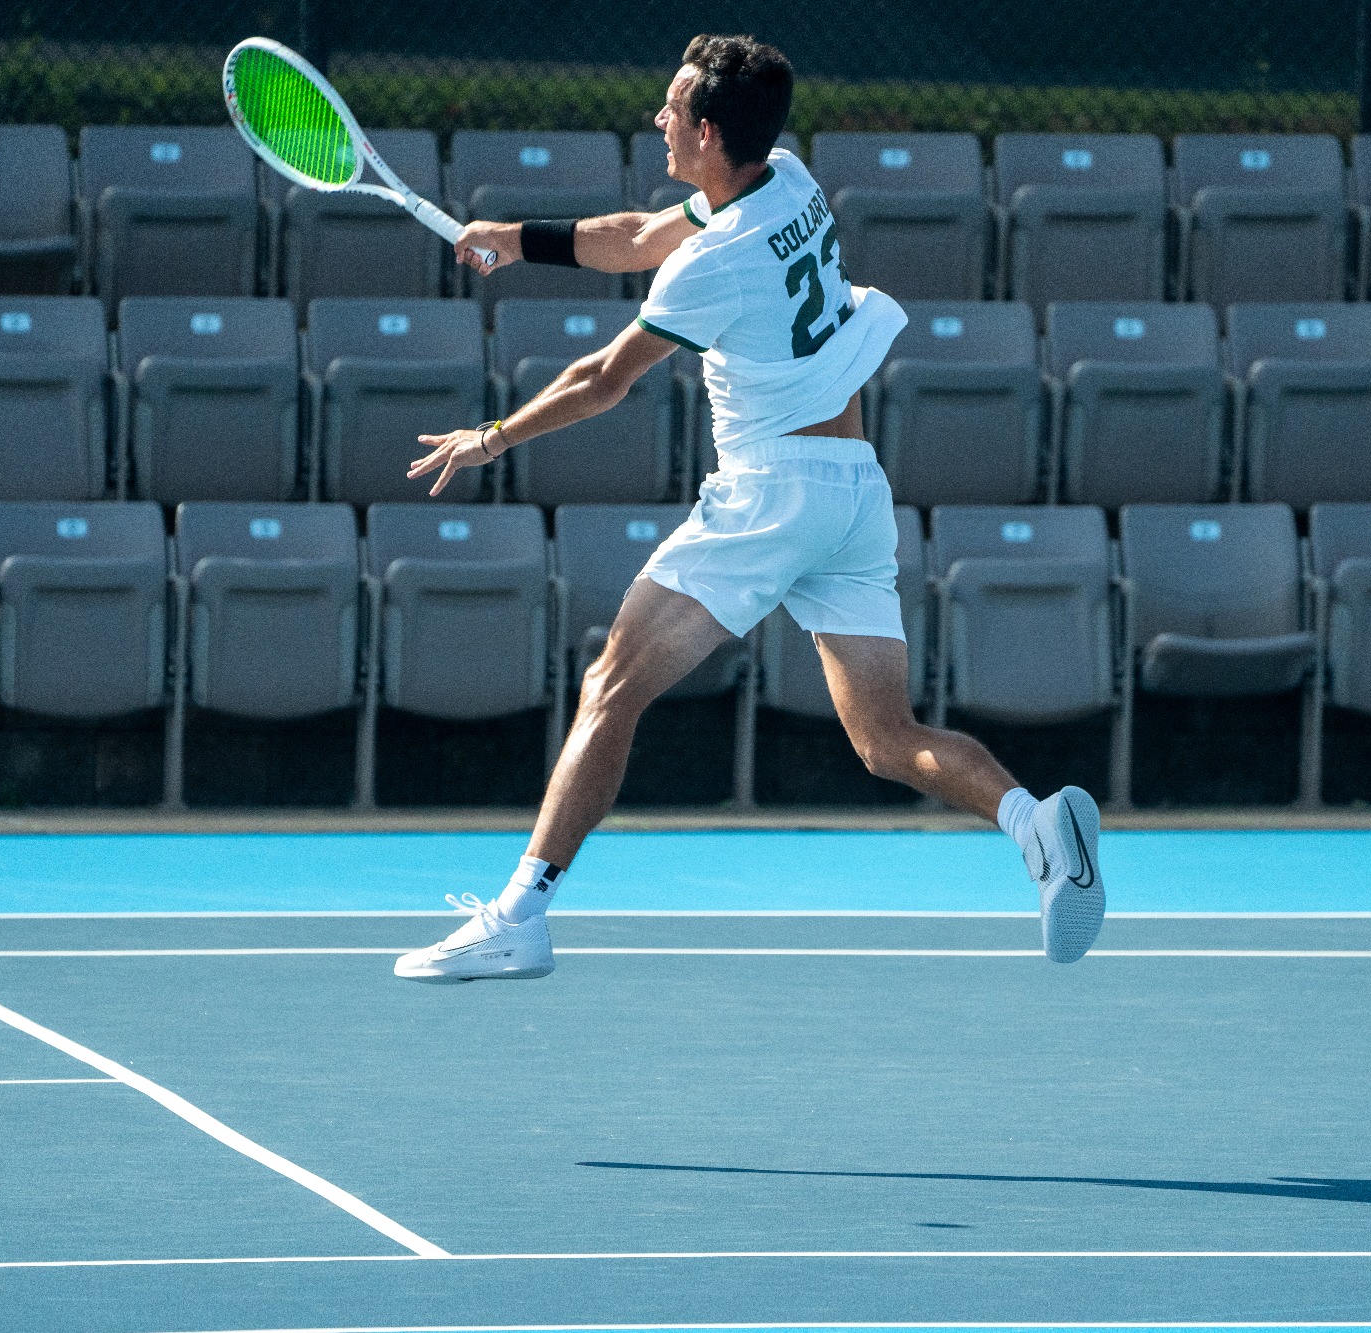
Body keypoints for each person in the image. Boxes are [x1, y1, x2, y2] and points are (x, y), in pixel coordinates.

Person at [393, 34, 1104, 983]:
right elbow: (641, 237)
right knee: (886, 740)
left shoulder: (717, 264)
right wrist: (515, 239)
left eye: (674, 108)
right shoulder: (788, 182)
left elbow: (604, 378)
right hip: (853, 490)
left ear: (711, 132)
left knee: (611, 686)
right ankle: (1039, 825)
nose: (659, 118)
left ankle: (520, 915)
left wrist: (492, 437)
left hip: (772, 492)